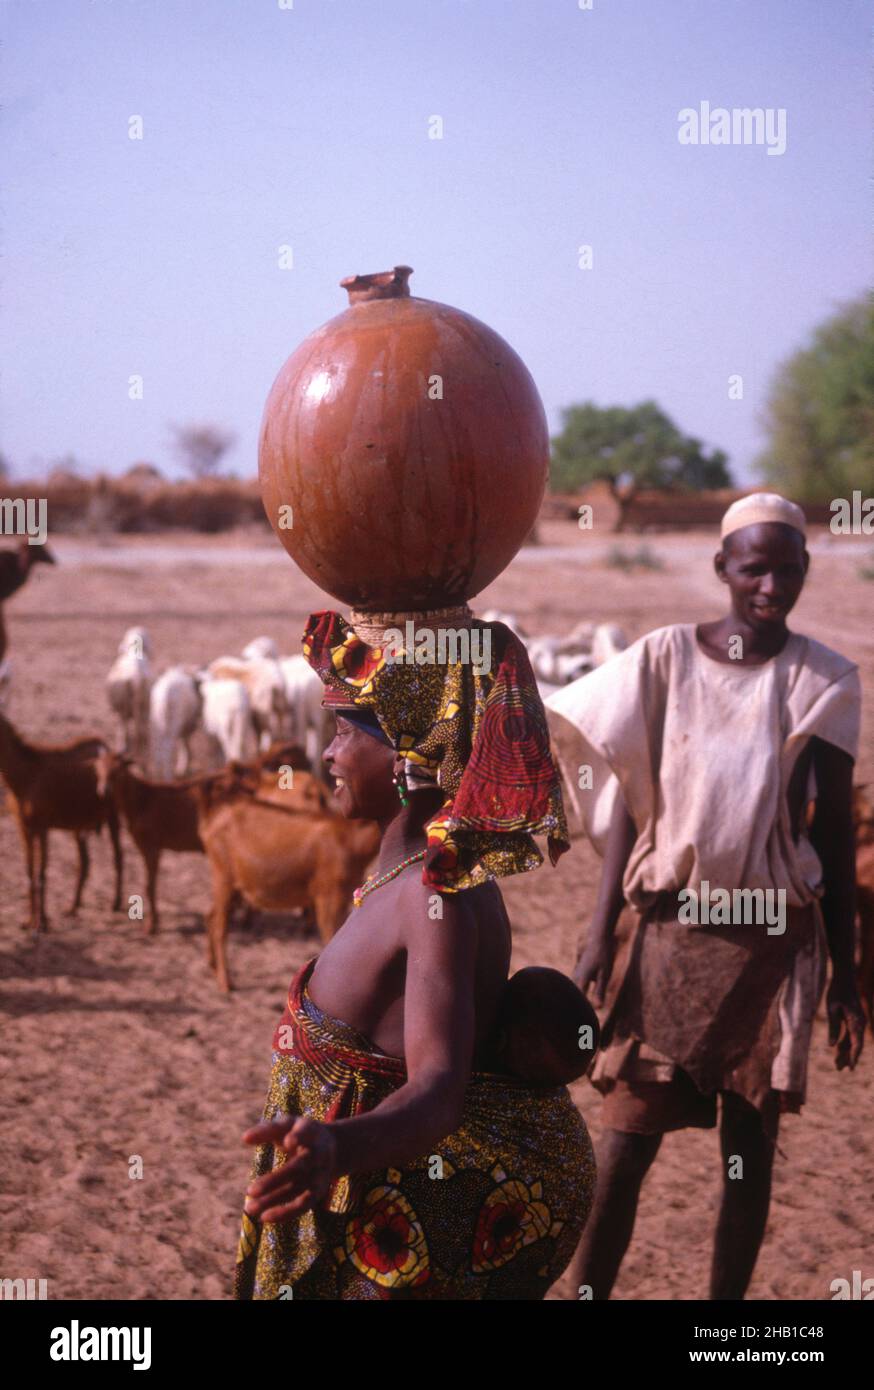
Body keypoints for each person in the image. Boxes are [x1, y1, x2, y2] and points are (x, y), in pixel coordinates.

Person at [546, 492, 865, 1301]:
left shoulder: (823, 680)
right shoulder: (661, 661)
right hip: (670, 939)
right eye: (754, 567)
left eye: (787, 569)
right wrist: (597, 933)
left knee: (747, 1159)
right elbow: (631, 803)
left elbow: (829, 836)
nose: (771, 585)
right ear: (722, 567)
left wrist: (849, 976)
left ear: (804, 572)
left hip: (771, 942)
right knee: (624, 1147)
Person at [233, 611, 596, 1300]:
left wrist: (339, 1148)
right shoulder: (397, 880)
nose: (329, 756)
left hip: (386, 1229)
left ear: (408, 754)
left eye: (345, 732)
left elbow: (438, 1090)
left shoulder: (439, 896)